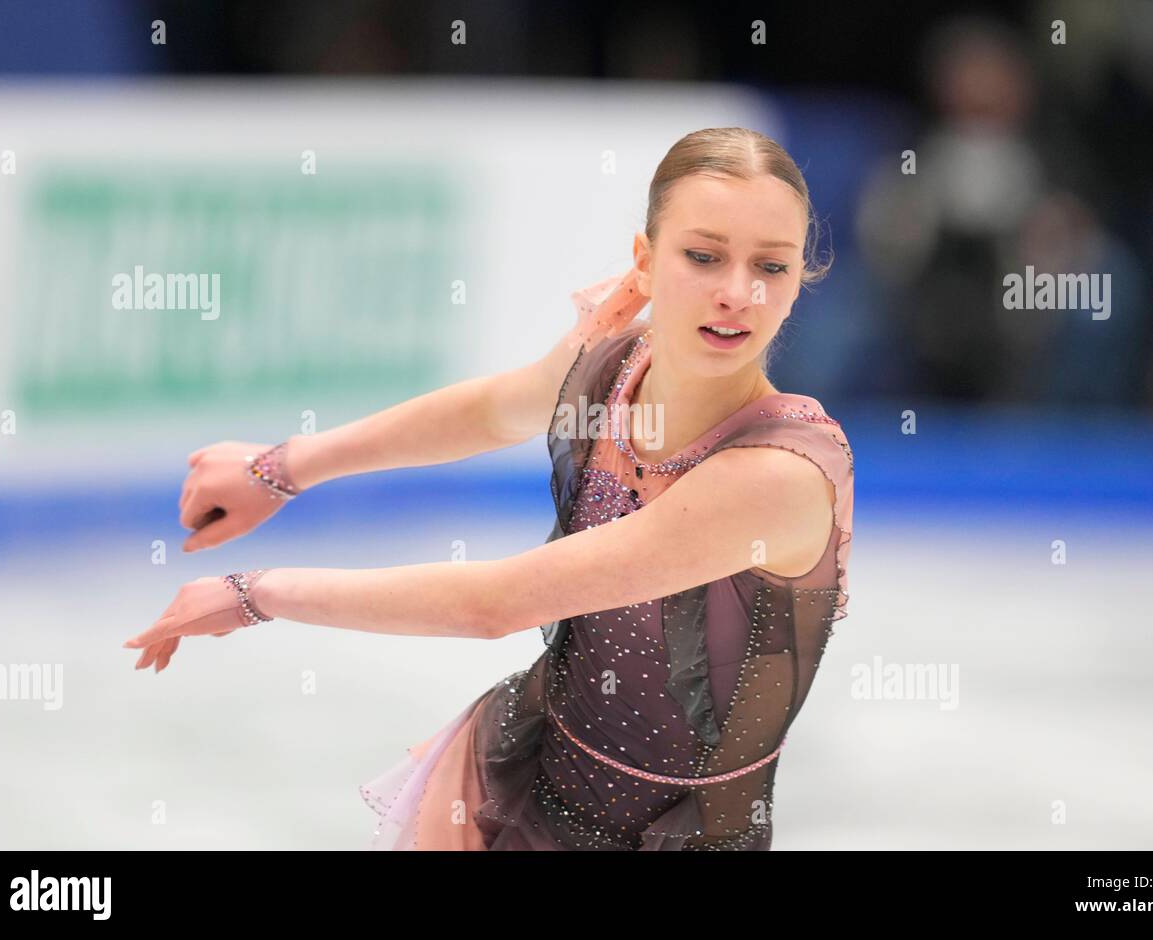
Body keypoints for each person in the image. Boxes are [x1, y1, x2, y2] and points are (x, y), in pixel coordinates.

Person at [123, 127, 855, 851]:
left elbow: (494, 604)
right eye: (702, 256)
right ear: (644, 260)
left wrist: (259, 593)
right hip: (519, 778)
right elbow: (494, 409)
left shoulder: (777, 476)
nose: (738, 293)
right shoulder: (614, 369)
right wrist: (282, 469)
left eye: (772, 266)